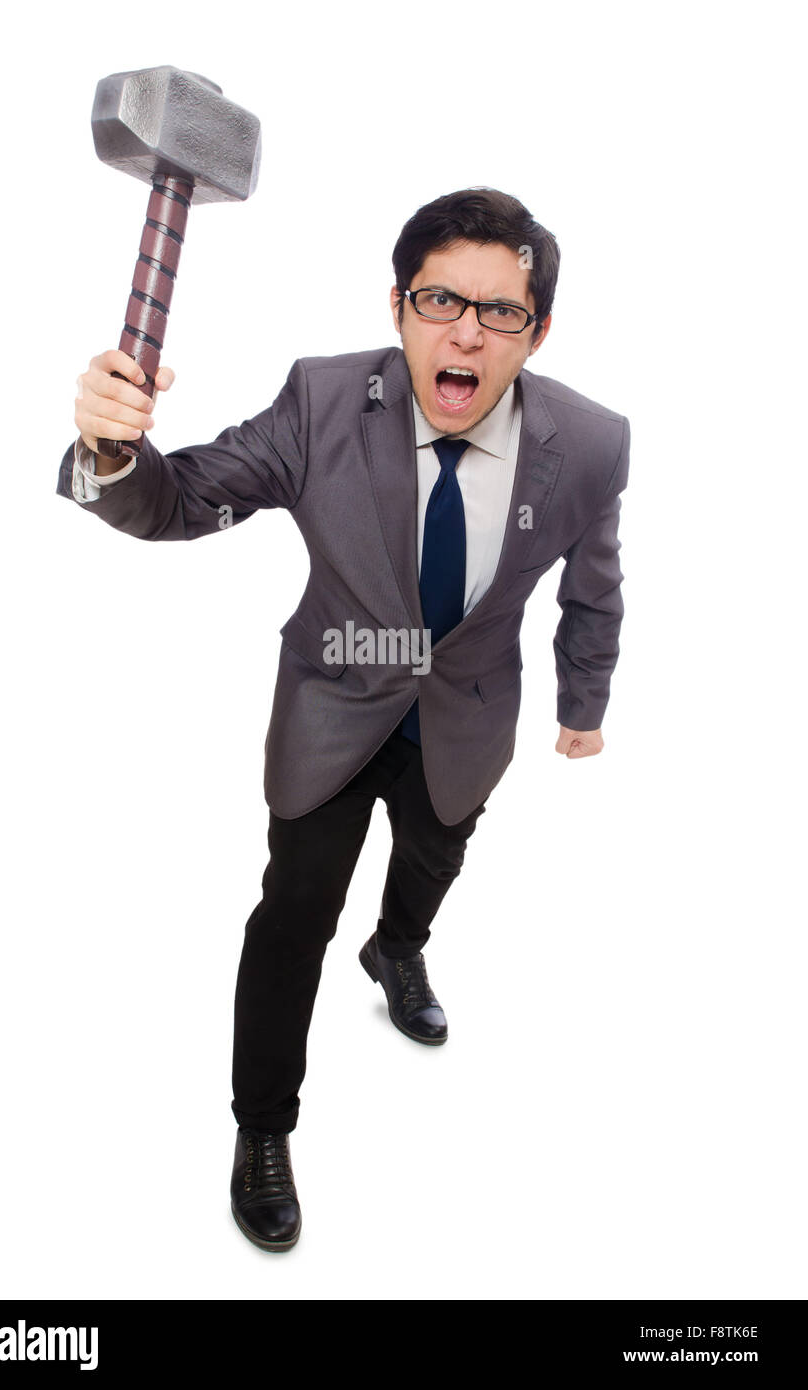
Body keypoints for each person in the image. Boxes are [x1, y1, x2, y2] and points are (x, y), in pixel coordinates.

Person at [58, 188, 630, 1253]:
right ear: (400, 308)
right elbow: (183, 500)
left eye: (500, 311)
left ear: (536, 330)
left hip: (466, 715)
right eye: (440, 300)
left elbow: (593, 588)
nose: (465, 329)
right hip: (333, 702)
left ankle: (400, 951)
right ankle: (262, 1128)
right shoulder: (323, 402)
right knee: (294, 914)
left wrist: (582, 701)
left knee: (436, 852)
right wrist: (112, 453)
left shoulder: (592, 444)